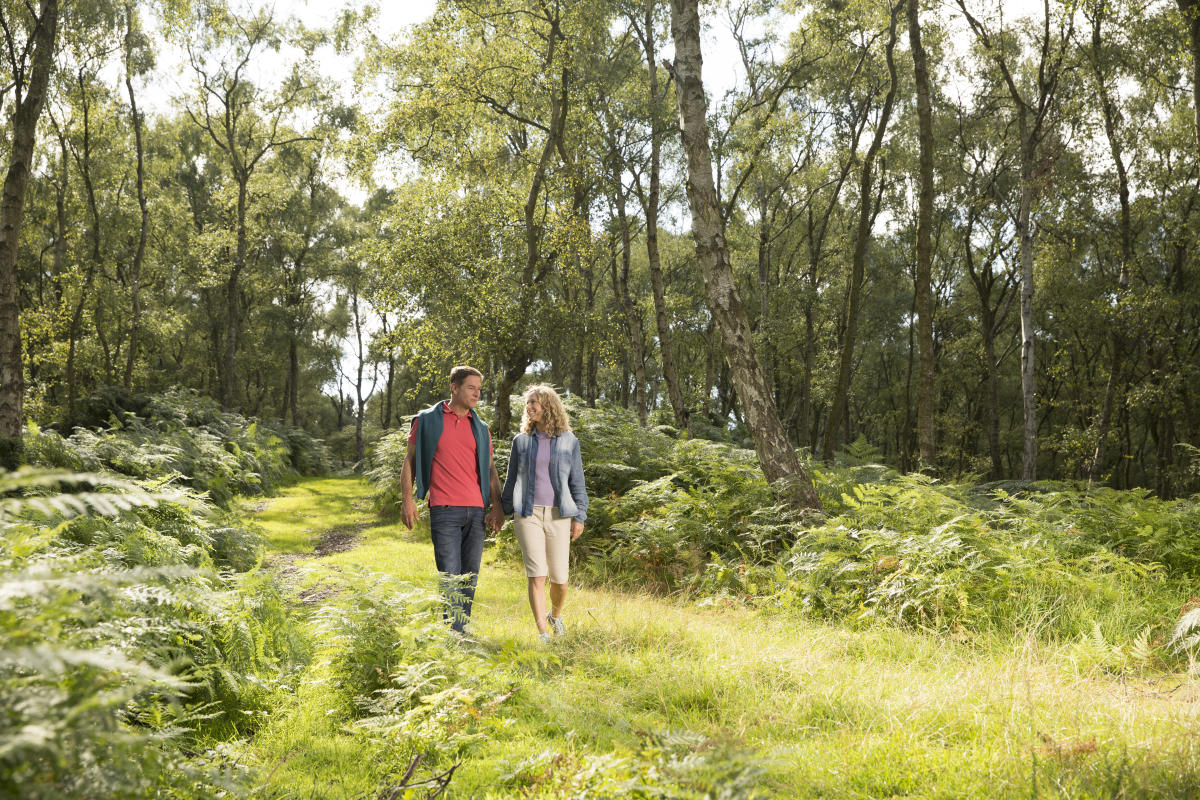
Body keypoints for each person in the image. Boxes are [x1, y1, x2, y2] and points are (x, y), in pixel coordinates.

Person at [401, 366, 505, 634]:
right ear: (454, 387)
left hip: (476, 511)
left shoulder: (481, 427)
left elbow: (491, 469)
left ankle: (461, 628)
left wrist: (497, 507)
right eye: (471, 388)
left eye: (480, 389)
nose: (477, 394)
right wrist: (408, 500)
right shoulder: (426, 421)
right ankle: (454, 634)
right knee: (450, 574)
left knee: (470, 576)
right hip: (444, 509)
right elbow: (409, 462)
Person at [500, 385, 588, 643]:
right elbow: (511, 479)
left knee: (560, 578)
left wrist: (580, 516)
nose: (529, 407)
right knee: (536, 574)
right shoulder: (522, 441)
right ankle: (542, 634)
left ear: (549, 406)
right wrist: (501, 511)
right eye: (528, 403)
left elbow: (578, 482)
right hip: (528, 514)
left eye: (534, 403)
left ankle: (555, 615)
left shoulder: (569, 441)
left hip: (560, 515)